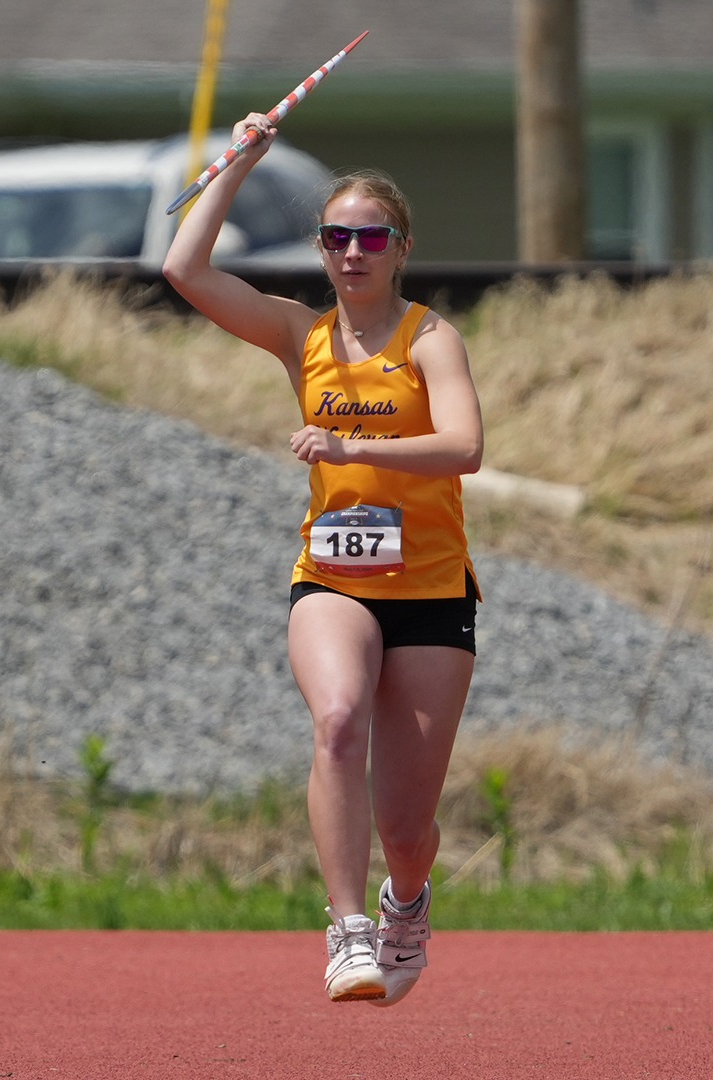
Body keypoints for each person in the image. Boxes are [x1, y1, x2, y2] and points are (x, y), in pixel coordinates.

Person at [163, 113, 484, 1006]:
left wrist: (350, 448)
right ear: (322, 247)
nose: (352, 251)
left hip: (428, 589)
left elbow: (464, 446)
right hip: (335, 578)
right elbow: (183, 272)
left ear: (400, 248)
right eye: (337, 236)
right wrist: (239, 162)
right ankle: (348, 930)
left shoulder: (428, 340)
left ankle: (405, 904)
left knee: (408, 825)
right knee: (338, 720)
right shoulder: (299, 334)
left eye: (369, 236)